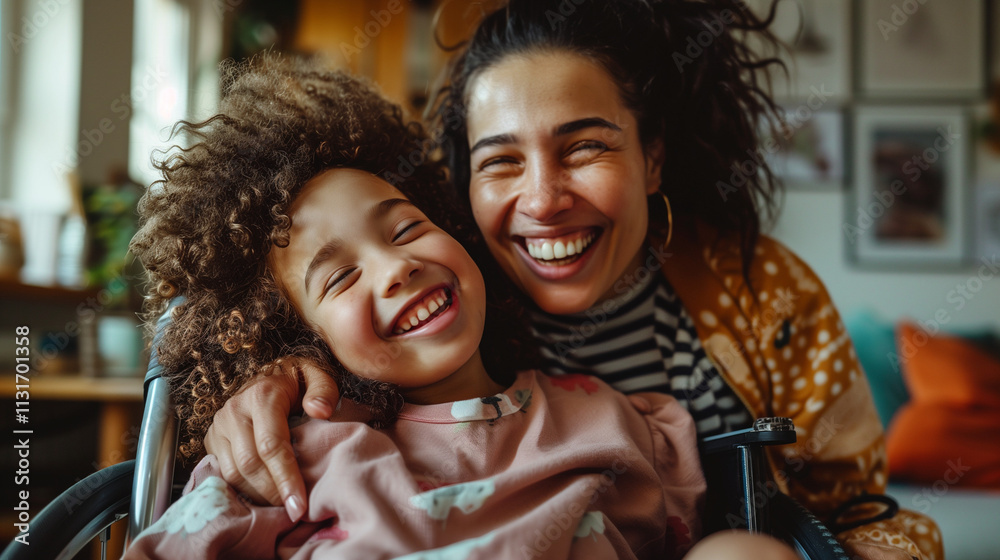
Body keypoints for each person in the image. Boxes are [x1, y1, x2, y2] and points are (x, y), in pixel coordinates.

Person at [199, 1, 943, 558]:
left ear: (652, 159)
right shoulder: (438, 295)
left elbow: (856, 513)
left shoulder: (763, 291)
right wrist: (280, 375)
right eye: (501, 161)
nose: (544, 200)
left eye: (584, 147)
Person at [126, 54, 799, 560]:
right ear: (296, 338)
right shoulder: (291, 462)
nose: (397, 266)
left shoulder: (609, 418)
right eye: (340, 278)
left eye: (407, 228)